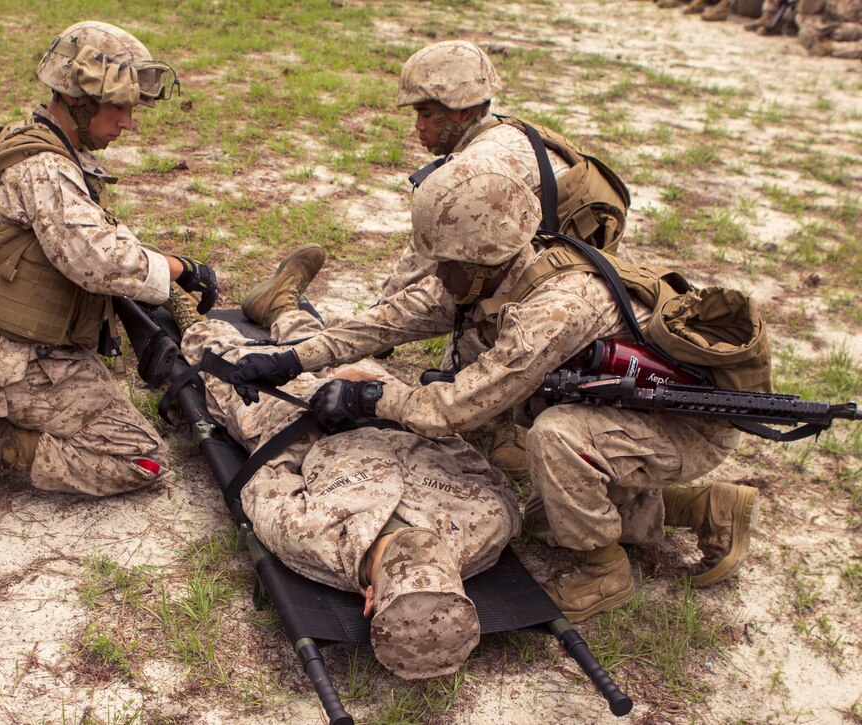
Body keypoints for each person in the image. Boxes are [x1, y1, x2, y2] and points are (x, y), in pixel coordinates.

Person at [228, 155, 759, 623]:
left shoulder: (554, 309)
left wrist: (369, 397)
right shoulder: (498, 271)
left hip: (684, 428)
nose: (437, 273)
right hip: (633, 415)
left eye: (445, 264)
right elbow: (392, 320)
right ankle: (701, 508)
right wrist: (293, 358)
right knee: (542, 509)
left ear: (482, 260)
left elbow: (455, 409)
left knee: (556, 440)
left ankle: (603, 572)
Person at [171, 246, 520, 679]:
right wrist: (378, 403)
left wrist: (312, 419)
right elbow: (477, 466)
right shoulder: (488, 525)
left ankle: (185, 308)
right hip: (383, 410)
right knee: (339, 355)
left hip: (300, 424)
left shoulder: (311, 537)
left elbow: (266, 475)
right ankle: (281, 306)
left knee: (226, 365)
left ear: (367, 600)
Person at [0, 21, 219, 524]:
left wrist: (167, 272)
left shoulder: (36, 144)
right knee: (143, 460)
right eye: (120, 107)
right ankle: (5, 444)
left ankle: (10, 416)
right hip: (15, 359)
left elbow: (92, 239)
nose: (128, 123)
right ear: (80, 100)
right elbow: (100, 261)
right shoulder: (45, 168)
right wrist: (178, 269)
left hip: (2, 342)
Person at [361, 40, 631, 478]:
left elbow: (429, 258)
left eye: (427, 114)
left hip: (561, 293)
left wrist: (380, 327)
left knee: (474, 313)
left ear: (463, 112)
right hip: (569, 268)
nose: (418, 127)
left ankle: (512, 425)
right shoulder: (504, 134)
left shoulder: (486, 165)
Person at [796, 0, 862, 58]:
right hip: (837, 24)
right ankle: (822, 40)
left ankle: (827, 48)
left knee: (848, 31)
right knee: (838, 32)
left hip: (854, 27)